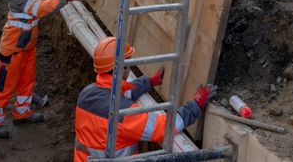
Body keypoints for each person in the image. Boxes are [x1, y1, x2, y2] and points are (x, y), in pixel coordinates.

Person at [0, 0, 82, 138]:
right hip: (13, 48)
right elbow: (40, 8)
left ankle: (22, 112)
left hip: (26, 45)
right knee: (5, 85)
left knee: (27, 81)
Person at [74, 37, 213, 161]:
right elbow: (163, 129)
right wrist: (195, 105)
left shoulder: (85, 95)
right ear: (123, 67)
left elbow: (120, 93)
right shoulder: (124, 114)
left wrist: (148, 82)